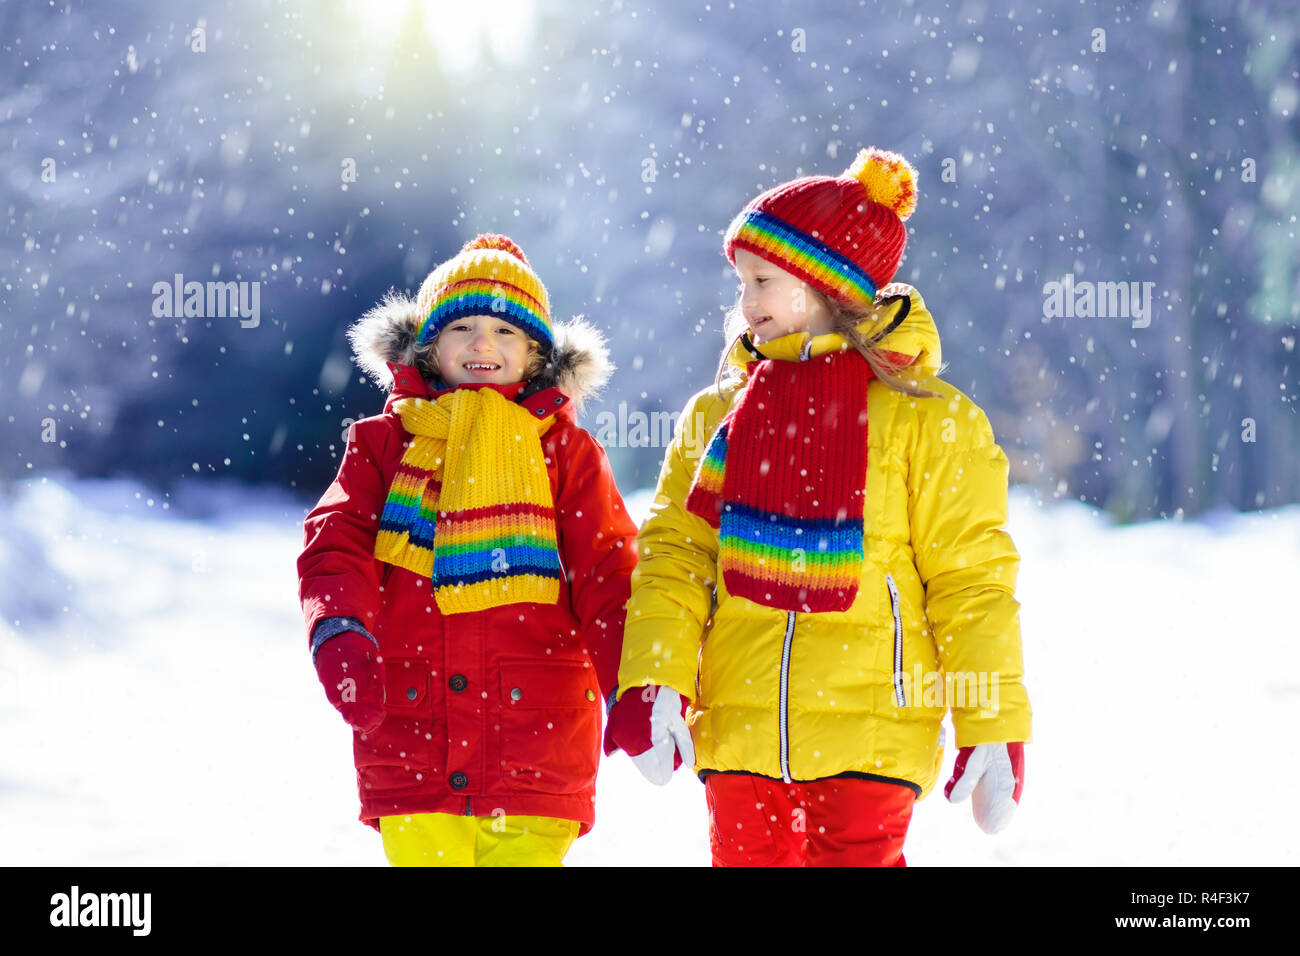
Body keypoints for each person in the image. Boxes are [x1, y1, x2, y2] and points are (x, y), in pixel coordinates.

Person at [604, 147, 1031, 866]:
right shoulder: (720, 415)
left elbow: (971, 580)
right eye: (740, 283)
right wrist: (657, 678)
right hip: (739, 727)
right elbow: (676, 556)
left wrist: (994, 720)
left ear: (827, 284)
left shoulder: (926, 418)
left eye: (763, 280)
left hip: (874, 730)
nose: (746, 303)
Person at [299, 234, 636, 866]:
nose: (484, 344)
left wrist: (632, 681)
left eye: (507, 331)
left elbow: (610, 573)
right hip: (412, 730)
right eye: (462, 326)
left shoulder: (566, 454)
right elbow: (335, 544)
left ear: (537, 355)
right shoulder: (384, 444)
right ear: (428, 347)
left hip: (537, 737)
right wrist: (340, 629)